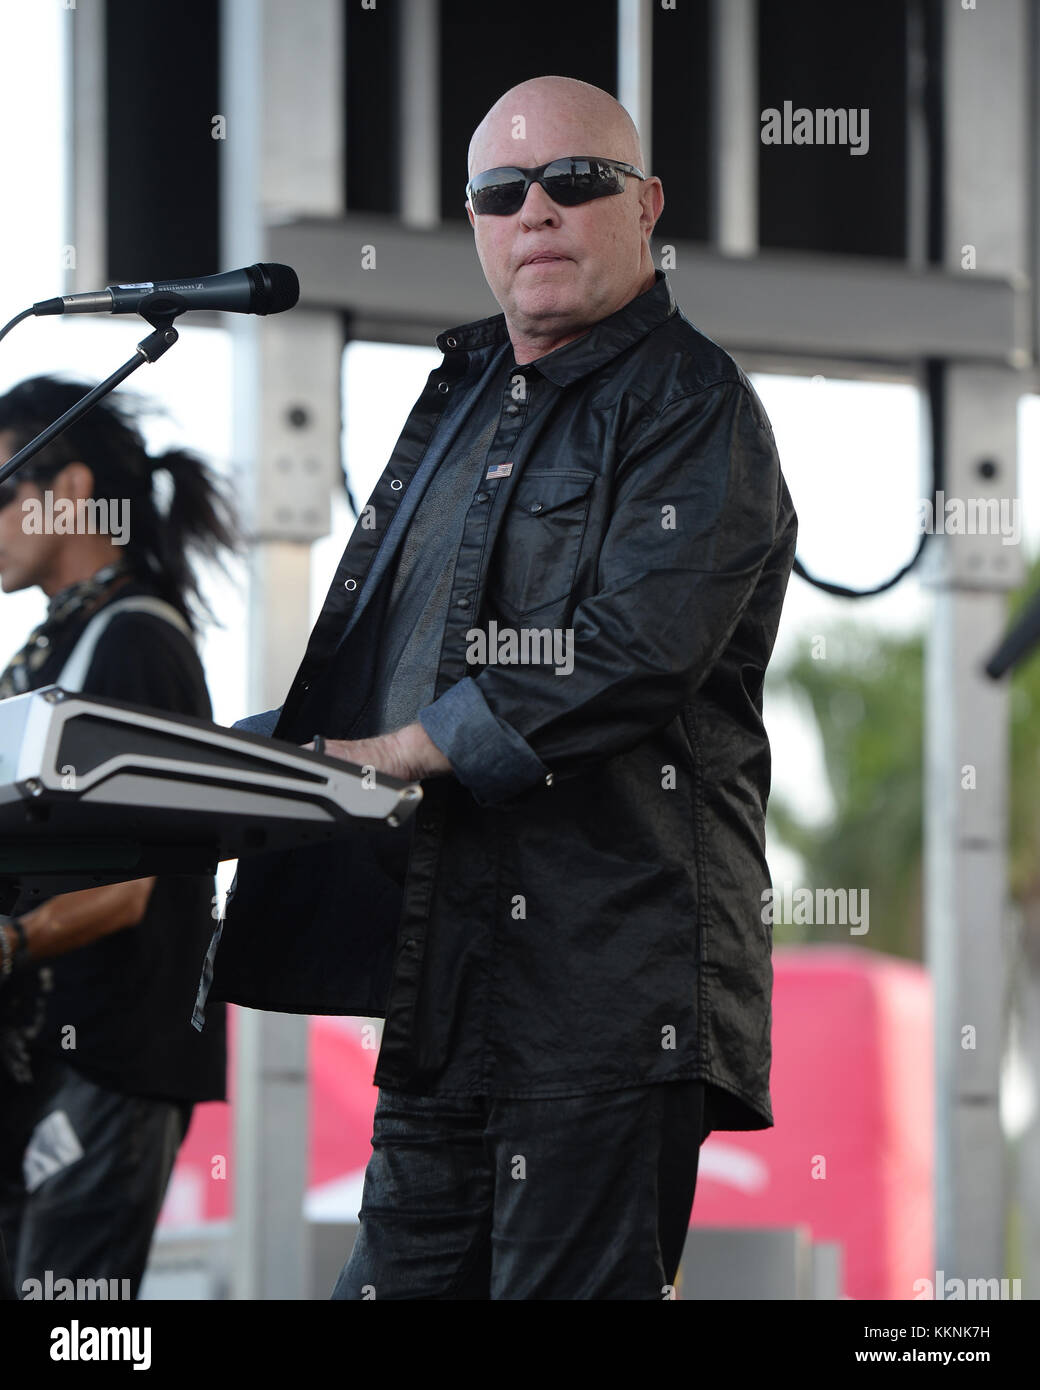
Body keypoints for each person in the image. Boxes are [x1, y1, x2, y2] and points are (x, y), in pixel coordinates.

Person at [198, 75, 799, 1300]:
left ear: (647, 207)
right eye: (499, 189)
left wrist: (397, 754)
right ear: (473, 222)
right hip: (446, 996)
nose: (536, 209)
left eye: (574, 181)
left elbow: (629, 652)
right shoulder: (466, 408)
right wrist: (180, 769)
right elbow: (368, 692)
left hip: (610, 1003)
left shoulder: (695, 406)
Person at [0, 376, 235, 1299]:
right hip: (50, 1062)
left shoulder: (134, 639)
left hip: (105, 1059)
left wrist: (12, 940)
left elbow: (129, 882)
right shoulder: (60, 642)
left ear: (69, 490)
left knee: (77, 1325)